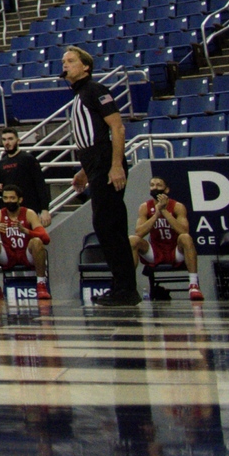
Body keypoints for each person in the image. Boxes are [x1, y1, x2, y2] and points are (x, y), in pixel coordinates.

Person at [62, 44, 138, 308]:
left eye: (71, 60)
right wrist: (85, 171)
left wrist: (115, 165)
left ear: (86, 67)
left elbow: (117, 128)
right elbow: (91, 141)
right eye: (64, 61)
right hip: (95, 164)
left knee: (109, 224)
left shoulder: (96, 90)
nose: (65, 65)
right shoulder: (79, 95)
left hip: (106, 162)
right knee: (106, 226)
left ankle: (126, 289)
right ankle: (121, 286)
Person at [132, 176, 203, 301]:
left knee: (185, 238)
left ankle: (193, 285)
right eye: (152, 185)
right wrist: (156, 214)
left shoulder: (177, 206)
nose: (155, 187)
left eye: (159, 185)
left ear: (166, 190)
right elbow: (139, 233)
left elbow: (183, 231)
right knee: (132, 239)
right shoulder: (145, 207)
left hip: (174, 250)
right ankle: (129, 285)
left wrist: (164, 211)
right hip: (155, 250)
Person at [0, 184, 51, 300]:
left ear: (20, 199)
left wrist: (25, 230)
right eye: (6, 198)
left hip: (26, 253)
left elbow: (46, 238)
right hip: (8, 254)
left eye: (12, 198)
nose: (9, 201)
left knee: (37, 241)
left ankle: (41, 284)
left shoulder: (29, 213)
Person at [0, 130, 52, 225]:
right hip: (10, 210)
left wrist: (45, 209)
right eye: (4, 139)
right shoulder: (1, 163)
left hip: (29, 208)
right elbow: (2, 189)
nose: (7, 142)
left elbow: (40, 184)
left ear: (18, 141)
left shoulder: (28, 159)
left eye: (10, 139)